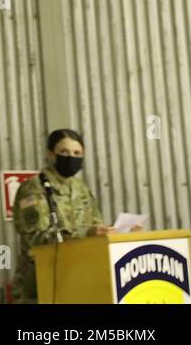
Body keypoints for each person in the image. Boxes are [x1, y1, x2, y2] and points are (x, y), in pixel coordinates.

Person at [11, 127, 136, 302]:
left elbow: (95, 228)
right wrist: (86, 233)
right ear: (50, 154)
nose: (71, 157)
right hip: (42, 287)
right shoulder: (33, 189)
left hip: (79, 282)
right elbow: (37, 238)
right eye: (64, 152)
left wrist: (121, 232)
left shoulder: (80, 188)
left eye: (77, 153)